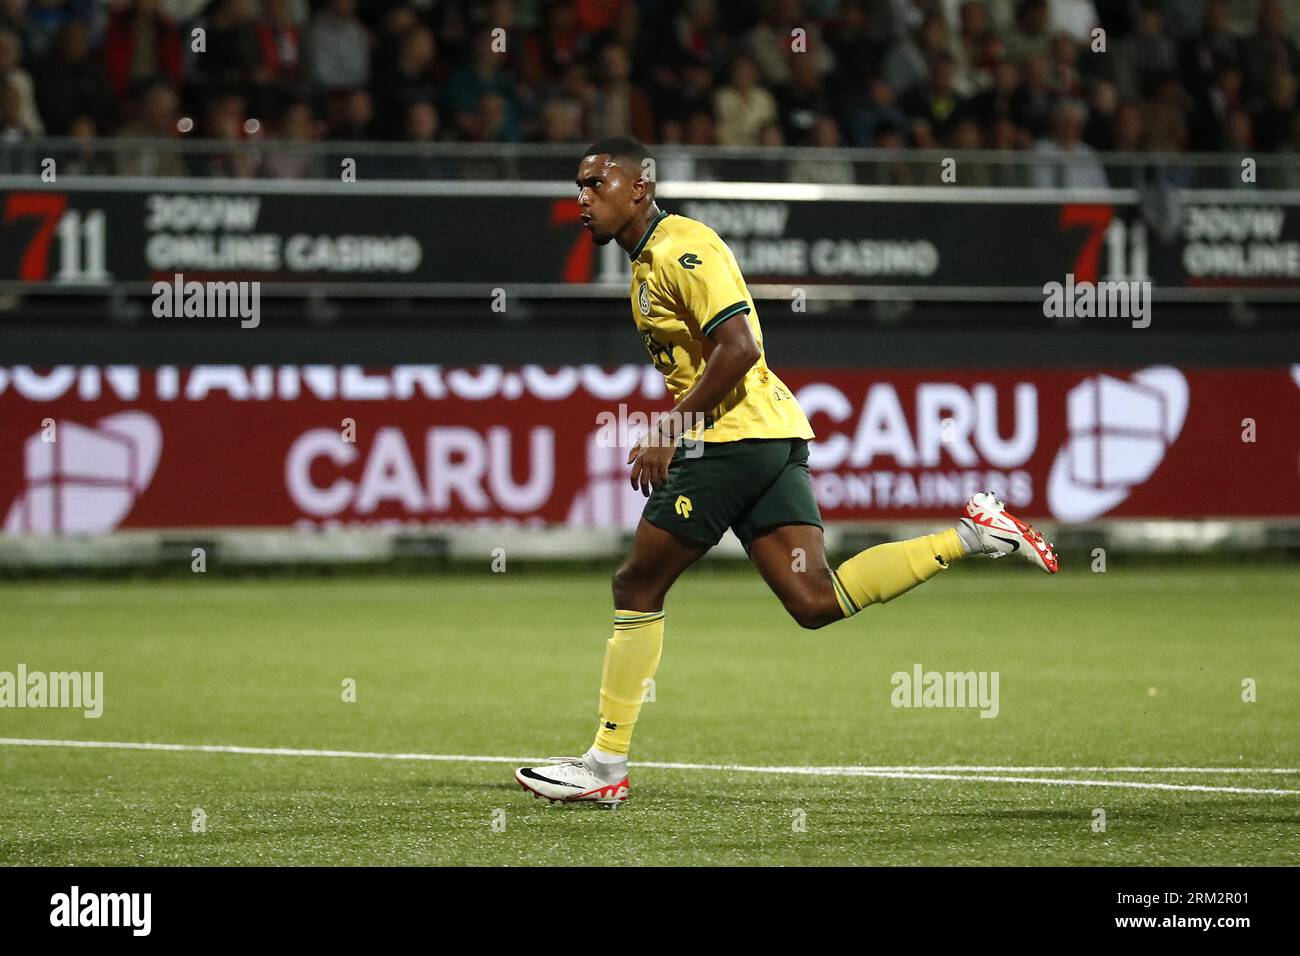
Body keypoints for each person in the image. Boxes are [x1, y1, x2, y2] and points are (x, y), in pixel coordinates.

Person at [515, 137, 1059, 808]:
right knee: (814, 602)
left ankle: (604, 763)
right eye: (578, 186)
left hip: (733, 441)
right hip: (769, 439)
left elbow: (739, 347)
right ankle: (972, 536)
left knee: (637, 581)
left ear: (639, 189)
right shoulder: (647, 262)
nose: (581, 200)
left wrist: (673, 425)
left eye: (595, 184)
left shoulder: (682, 251)